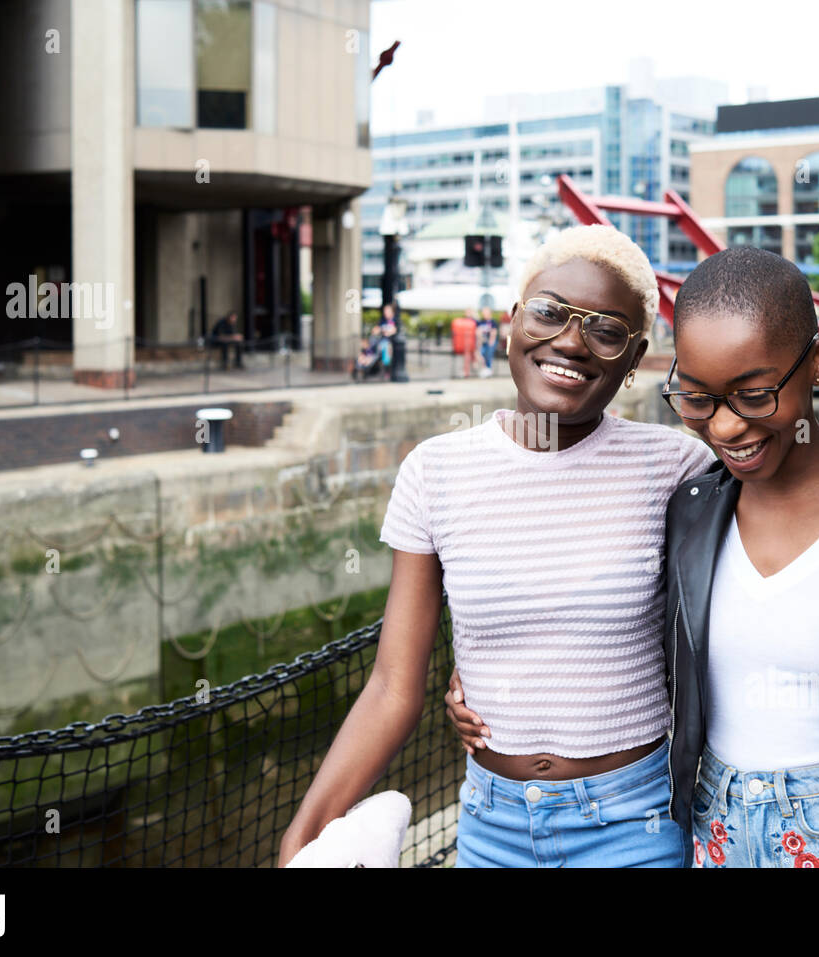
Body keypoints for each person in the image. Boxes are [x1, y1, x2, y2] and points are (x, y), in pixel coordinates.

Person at [445, 244, 819, 868]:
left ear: (817, 363)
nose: (727, 428)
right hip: (713, 827)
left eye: (754, 395)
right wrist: (487, 672)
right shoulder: (690, 505)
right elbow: (590, 593)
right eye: (697, 398)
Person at [279, 224, 716, 868]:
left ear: (634, 359)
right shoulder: (435, 471)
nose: (570, 341)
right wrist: (302, 837)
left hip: (635, 821)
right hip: (491, 828)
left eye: (606, 330)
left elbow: (745, 620)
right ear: (513, 321)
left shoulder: (677, 467)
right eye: (549, 313)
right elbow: (393, 686)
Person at [477, 307, 499, 377]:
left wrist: (491, 341)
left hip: (490, 341)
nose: (484, 314)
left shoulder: (493, 322)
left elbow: (494, 332)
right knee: (481, 353)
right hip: (483, 341)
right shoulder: (481, 322)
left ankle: (488, 368)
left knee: (488, 353)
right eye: (483, 313)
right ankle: (484, 368)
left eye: (485, 313)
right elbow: (478, 331)